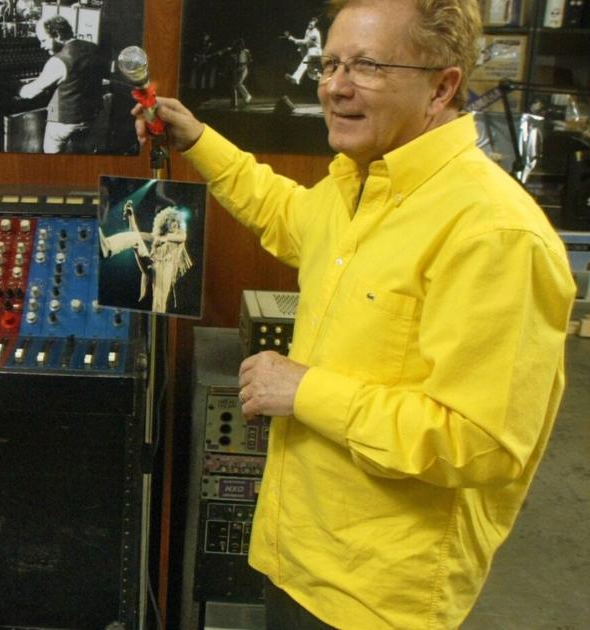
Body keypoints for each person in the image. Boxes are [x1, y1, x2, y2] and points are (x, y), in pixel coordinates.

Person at [132, 0, 574, 627]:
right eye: (331, 63)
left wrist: (305, 390)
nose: (335, 87)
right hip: (295, 558)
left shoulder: (495, 234)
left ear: (441, 87)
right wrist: (199, 142)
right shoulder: (359, 184)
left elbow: (478, 442)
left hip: (376, 598)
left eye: (368, 66)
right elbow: (286, 214)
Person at [18, 16, 106, 153]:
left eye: (44, 40)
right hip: (90, 119)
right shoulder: (94, 48)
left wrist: (17, 88)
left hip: (64, 123)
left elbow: (30, 93)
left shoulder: (59, 61)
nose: (41, 46)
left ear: (58, 35)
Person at [99, 200, 194, 313]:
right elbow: (136, 235)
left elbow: (179, 238)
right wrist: (131, 217)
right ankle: (107, 247)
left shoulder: (181, 234)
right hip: (150, 264)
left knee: (159, 302)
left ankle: (157, 316)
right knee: (135, 238)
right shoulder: (157, 236)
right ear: (165, 222)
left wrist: (159, 239)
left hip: (164, 268)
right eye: (172, 220)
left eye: (177, 221)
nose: (175, 224)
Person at [283, 17, 323, 85]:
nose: (310, 25)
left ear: (315, 25)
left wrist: (292, 39)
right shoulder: (307, 31)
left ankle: (296, 78)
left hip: (316, 52)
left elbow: (305, 41)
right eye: (310, 23)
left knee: (304, 64)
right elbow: (304, 42)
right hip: (311, 52)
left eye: (312, 24)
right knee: (311, 72)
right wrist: (300, 47)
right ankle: (322, 78)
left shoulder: (315, 33)